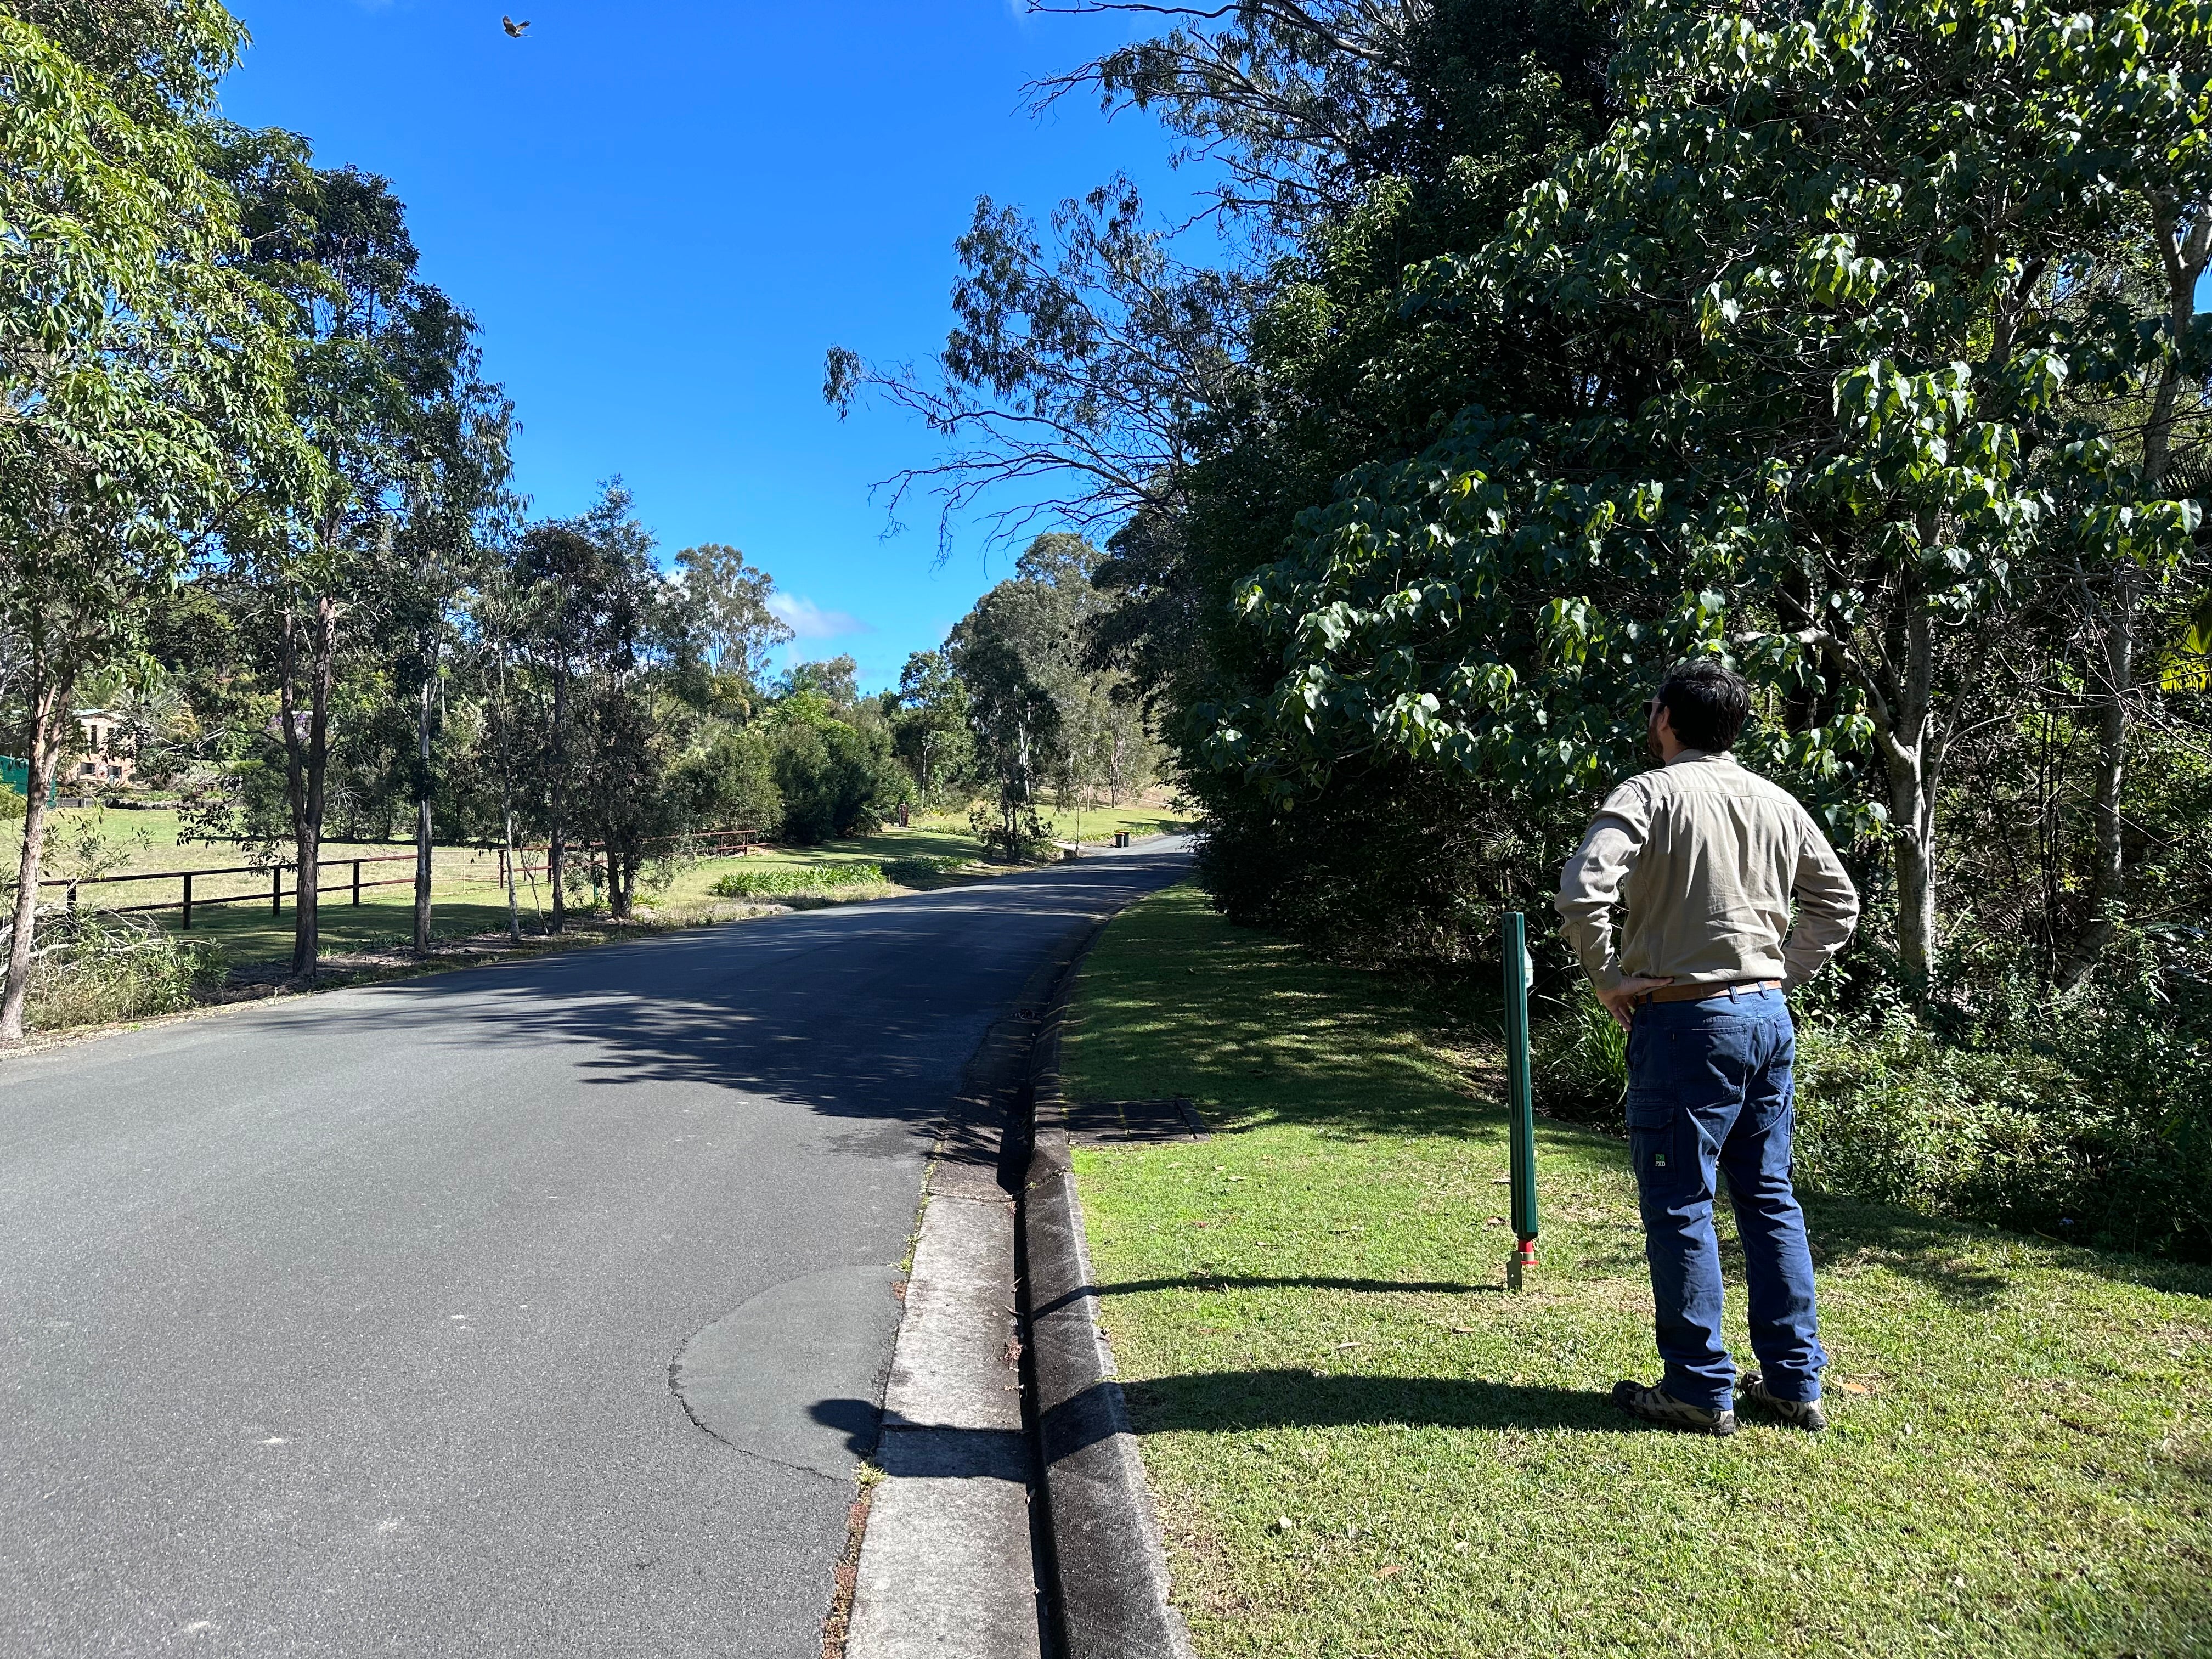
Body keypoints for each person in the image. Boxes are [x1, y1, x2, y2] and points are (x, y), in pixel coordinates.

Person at [1554, 661, 1860, 1436]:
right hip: (1766, 1020)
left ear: (1665, 718)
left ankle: (1697, 1388)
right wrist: (1778, 972)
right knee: (1769, 1199)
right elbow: (1839, 904)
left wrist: (1609, 979)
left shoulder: (1647, 794)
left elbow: (1582, 892)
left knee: (1682, 1204)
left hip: (1686, 1024)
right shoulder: (1777, 801)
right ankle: (1794, 1382)